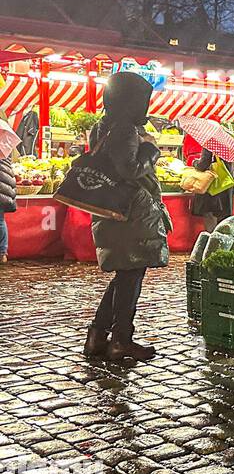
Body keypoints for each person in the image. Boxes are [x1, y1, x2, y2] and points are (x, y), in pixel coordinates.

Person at [83, 71, 172, 362]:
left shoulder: (105, 126)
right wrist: (150, 149)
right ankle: (121, 340)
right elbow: (131, 170)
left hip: (118, 214)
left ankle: (98, 336)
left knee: (124, 276)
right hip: (131, 215)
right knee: (130, 278)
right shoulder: (124, 129)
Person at [189, 147, 234, 230]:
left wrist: (195, 162)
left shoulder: (211, 144)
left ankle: (212, 239)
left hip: (214, 188)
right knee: (222, 221)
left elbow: (203, 164)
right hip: (225, 186)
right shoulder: (228, 146)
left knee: (211, 219)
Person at [0, 149, 16, 262]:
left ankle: (2, 253)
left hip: (2, 184)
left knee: (0, 220)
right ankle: (2, 253)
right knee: (0, 219)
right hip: (4, 184)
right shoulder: (5, 143)